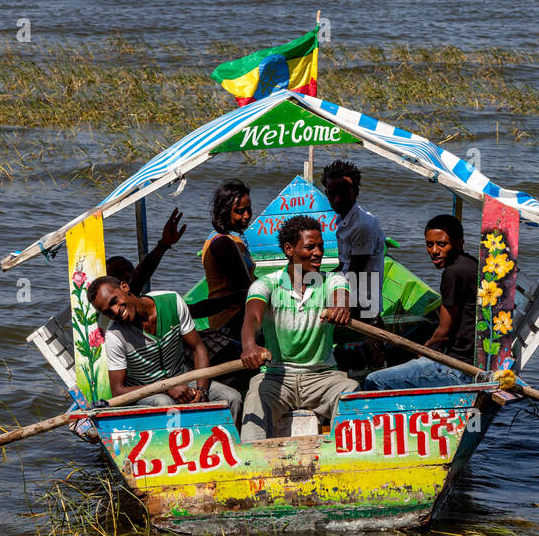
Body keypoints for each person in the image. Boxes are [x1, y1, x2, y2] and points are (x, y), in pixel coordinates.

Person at [239, 215, 356, 441]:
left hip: (322, 377)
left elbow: (341, 295)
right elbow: (252, 316)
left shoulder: (332, 280)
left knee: (352, 394)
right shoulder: (266, 284)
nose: (319, 253)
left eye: (321, 247)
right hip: (276, 378)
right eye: (310, 247)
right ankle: (253, 468)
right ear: (289, 249)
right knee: (254, 403)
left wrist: (341, 308)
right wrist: (249, 346)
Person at [87, 274, 243, 422]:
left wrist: (201, 391)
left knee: (232, 397)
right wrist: (165, 387)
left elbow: (198, 349)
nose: (115, 311)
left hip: (182, 379)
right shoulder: (115, 336)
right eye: (107, 312)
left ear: (125, 287)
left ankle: (230, 447)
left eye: (114, 301)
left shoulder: (172, 301)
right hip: (146, 394)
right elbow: (118, 391)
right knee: (164, 403)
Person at [363, 214, 478, 391]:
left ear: (459, 243)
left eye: (442, 244)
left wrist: (424, 352)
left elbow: (443, 334)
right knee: (404, 344)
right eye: (429, 244)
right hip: (469, 358)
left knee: (374, 380)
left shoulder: (453, 273)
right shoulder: (471, 263)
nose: (434, 251)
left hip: (457, 368)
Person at [188, 180, 256, 363]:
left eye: (249, 209)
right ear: (225, 211)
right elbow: (246, 290)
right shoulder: (223, 244)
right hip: (230, 321)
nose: (247, 215)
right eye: (240, 211)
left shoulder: (233, 240)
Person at [322, 159, 385, 318]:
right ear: (326, 194)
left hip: (363, 303)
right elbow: (345, 264)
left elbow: (354, 275)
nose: (337, 199)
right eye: (332, 194)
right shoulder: (344, 219)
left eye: (343, 193)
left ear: (355, 192)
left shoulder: (362, 226)